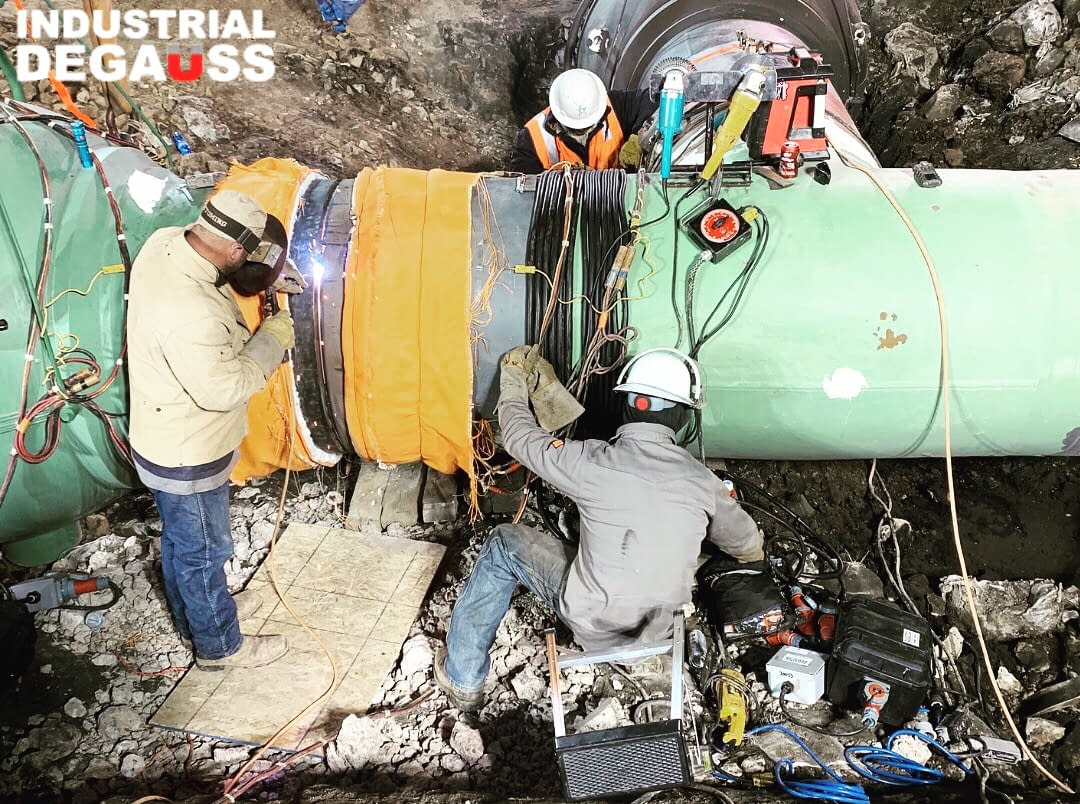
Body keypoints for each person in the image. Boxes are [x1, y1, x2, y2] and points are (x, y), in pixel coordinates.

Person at [434, 346, 763, 711]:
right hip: (659, 635)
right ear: (685, 415)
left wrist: (512, 381)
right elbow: (748, 546)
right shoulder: (702, 482)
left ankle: (463, 677)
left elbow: (519, 438)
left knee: (503, 543)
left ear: (625, 403)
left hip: (593, 624)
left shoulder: (590, 461)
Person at [127, 190, 295, 671]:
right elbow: (226, 388)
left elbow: (219, 280)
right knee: (204, 552)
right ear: (236, 250)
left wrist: (268, 277)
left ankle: (198, 618)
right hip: (189, 454)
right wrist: (273, 338)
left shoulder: (165, 243)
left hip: (159, 436)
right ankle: (219, 647)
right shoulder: (191, 313)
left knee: (182, 545)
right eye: (250, 254)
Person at [509, 68, 658, 174]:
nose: (582, 131)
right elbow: (524, 194)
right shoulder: (531, 139)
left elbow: (658, 104)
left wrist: (639, 137)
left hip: (619, 198)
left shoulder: (616, 106)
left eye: (587, 126)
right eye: (575, 128)